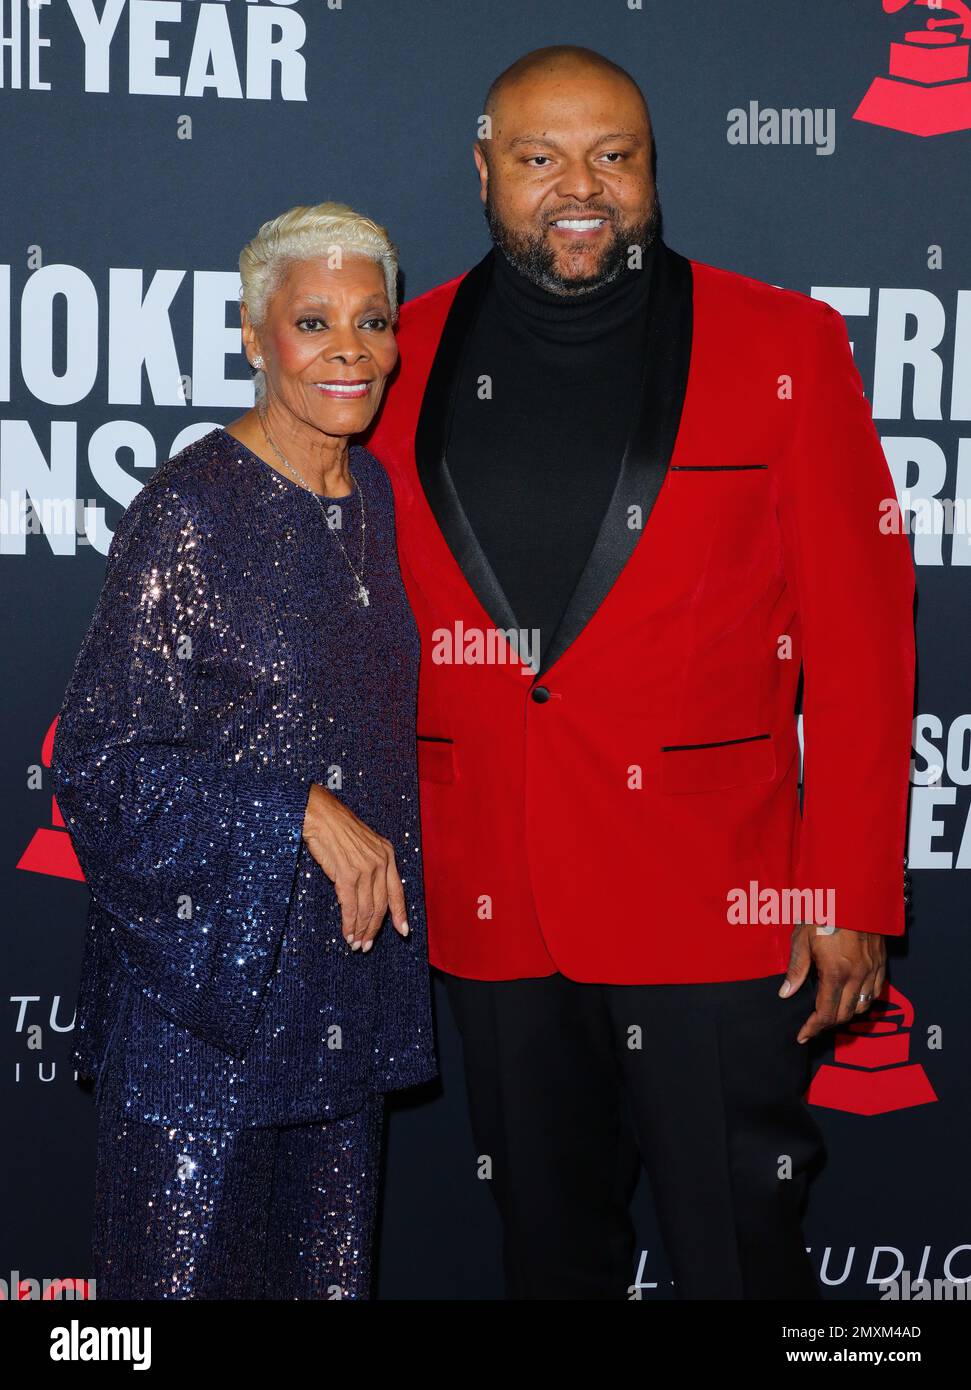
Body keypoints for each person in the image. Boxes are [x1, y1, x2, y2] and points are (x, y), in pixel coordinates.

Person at [364, 47, 917, 1299]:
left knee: (739, 1256)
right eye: (539, 157)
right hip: (493, 892)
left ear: (651, 169)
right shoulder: (394, 356)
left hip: (716, 904)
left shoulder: (783, 342)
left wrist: (848, 886)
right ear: (482, 168)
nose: (581, 187)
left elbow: (859, 637)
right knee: (547, 1259)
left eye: (613, 156)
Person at [50, 202, 437, 1300]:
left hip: (335, 993)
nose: (348, 351)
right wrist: (292, 808)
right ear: (252, 332)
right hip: (201, 1013)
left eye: (372, 321)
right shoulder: (190, 507)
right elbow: (99, 761)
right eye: (313, 321)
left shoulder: (372, 495)